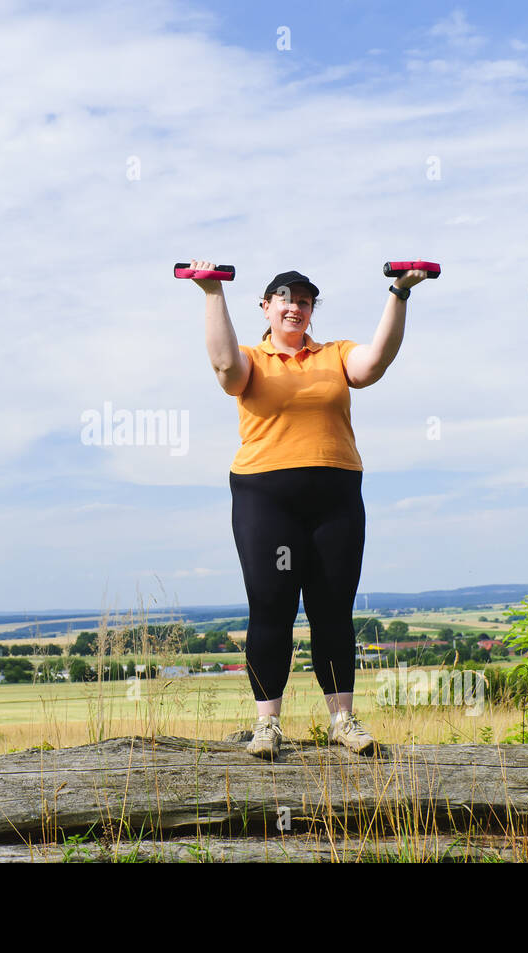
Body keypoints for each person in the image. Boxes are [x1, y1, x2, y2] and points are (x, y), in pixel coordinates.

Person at [191, 259, 429, 758]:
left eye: (304, 300)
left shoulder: (336, 354)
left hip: (335, 497)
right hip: (266, 497)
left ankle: (342, 720)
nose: (295, 306)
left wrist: (400, 293)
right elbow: (224, 369)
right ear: (266, 307)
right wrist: (212, 292)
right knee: (272, 608)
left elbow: (376, 363)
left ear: (311, 310)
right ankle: (267, 726)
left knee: (333, 611)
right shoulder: (252, 359)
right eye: (285, 297)